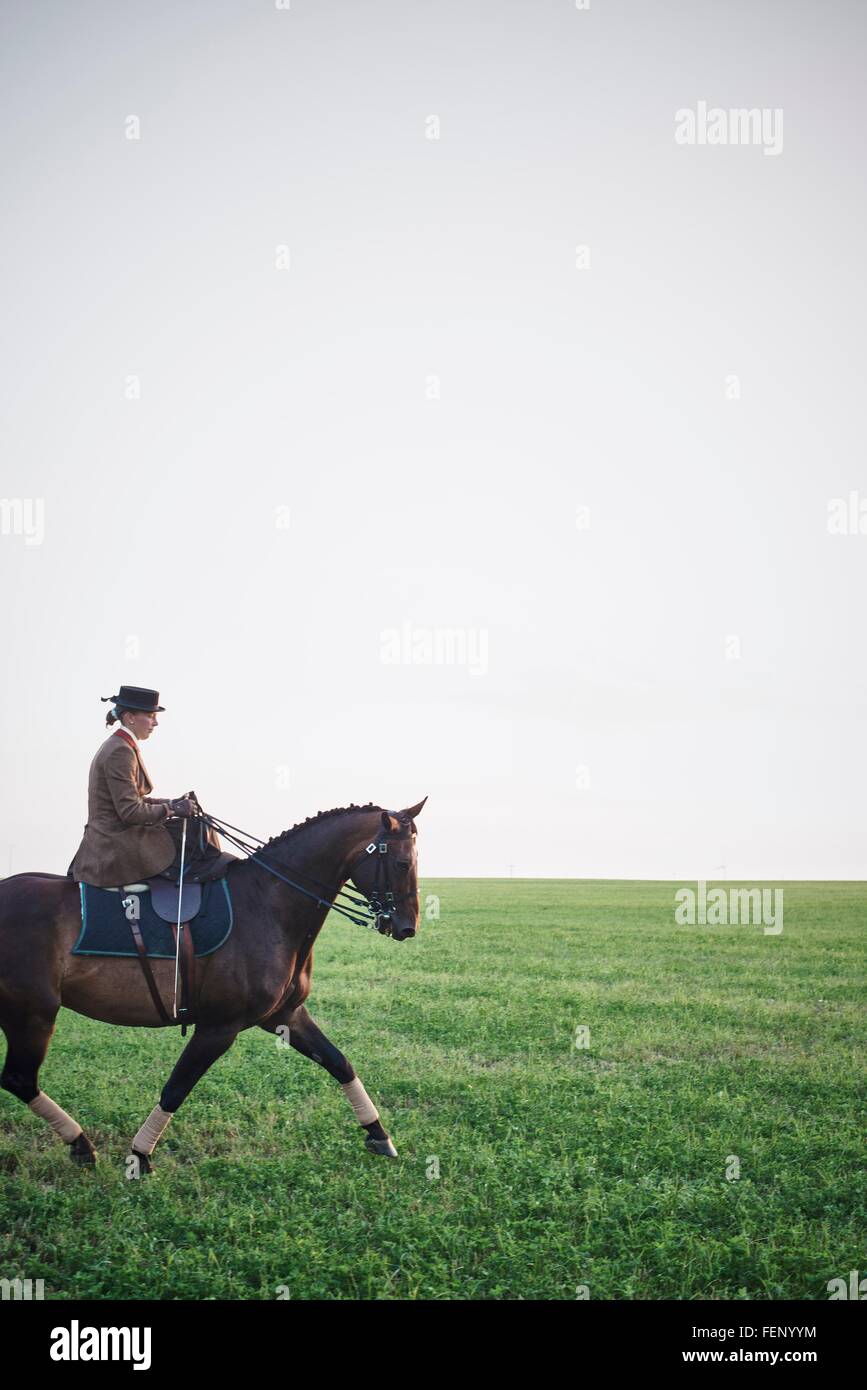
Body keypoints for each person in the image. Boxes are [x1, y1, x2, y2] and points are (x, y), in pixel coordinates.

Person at [68, 686, 220, 888]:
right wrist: (171, 810)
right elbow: (130, 811)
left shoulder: (122, 745)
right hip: (114, 842)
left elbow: (135, 800)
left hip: (118, 834)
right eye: (150, 716)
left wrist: (171, 802)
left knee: (199, 827)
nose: (155, 723)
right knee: (194, 835)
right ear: (130, 718)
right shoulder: (119, 751)